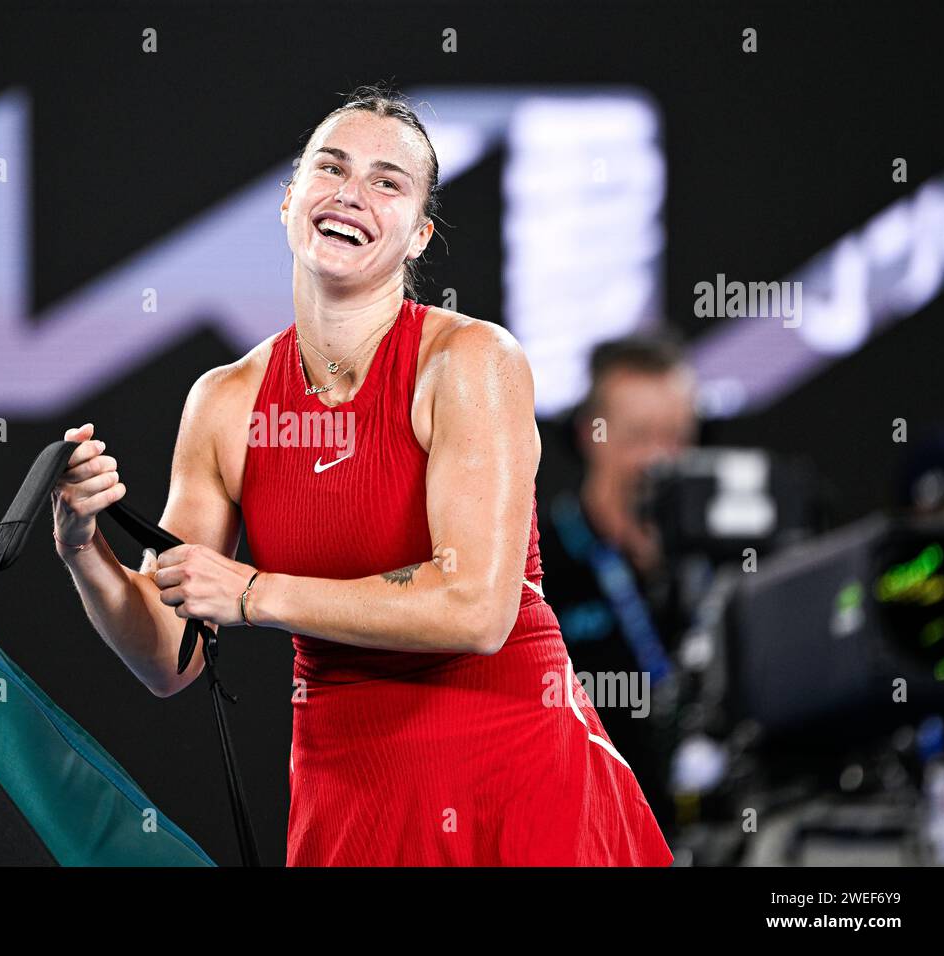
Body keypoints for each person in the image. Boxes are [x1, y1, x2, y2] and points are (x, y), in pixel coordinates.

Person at [50, 83, 672, 866]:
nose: (352, 194)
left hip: (515, 782)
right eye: (331, 167)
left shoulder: (472, 362)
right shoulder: (223, 402)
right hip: (350, 799)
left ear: (419, 236)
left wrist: (251, 592)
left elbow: (476, 608)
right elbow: (170, 657)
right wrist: (85, 553)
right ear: (288, 201)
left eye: (388, 182)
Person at [538, 335, 700, 835]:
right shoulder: (535, 566)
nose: (659, 461)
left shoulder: (716, 564)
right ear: (592, 434)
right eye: (638, 437)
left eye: (675, 437)